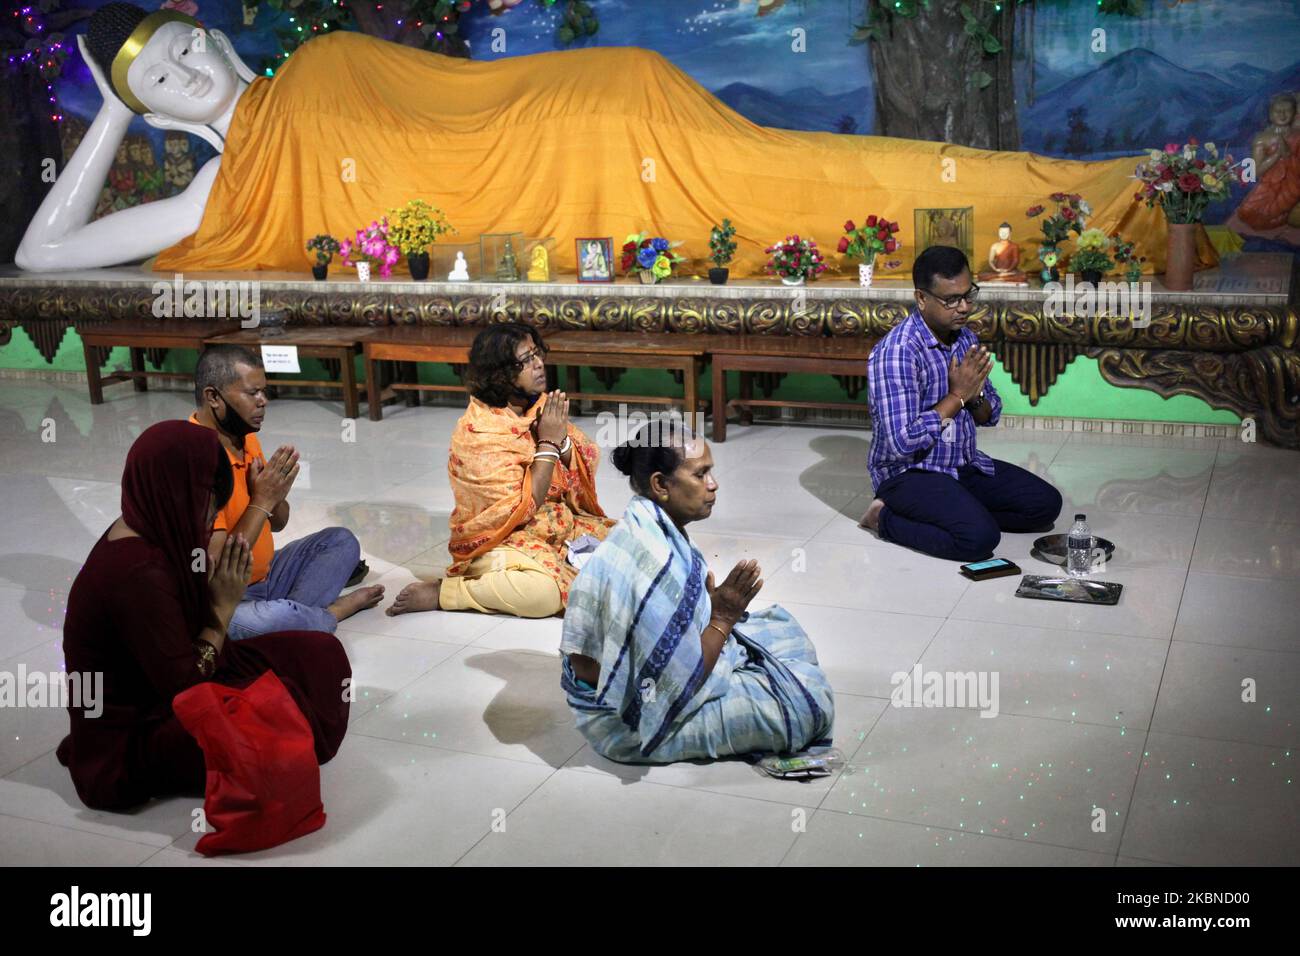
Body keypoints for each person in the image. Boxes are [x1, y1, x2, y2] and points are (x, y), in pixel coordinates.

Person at [16, 3, 1212, 277]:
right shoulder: (228, 186)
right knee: (813, 191)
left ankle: (1092, 199)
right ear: (165, 108)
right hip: (573, 177)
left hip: (585, 125)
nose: (184, 69)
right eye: (158, 81)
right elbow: (41, 256)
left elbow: (456, 103)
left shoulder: (324, 56)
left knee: (808, 183)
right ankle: (1085, 200)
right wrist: (112, 110)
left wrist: (129, 92)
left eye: (180, 42)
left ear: (217, 33)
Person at [57, 421, 352, 811]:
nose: (211, 511)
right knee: (274, 718)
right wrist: (222, 612)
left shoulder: (157, 524)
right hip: (138, 729)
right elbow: (184, 686)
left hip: (188, 671)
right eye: (206, 498)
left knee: (319, 655)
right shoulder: (135, 571)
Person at [561, 421, 834, 764]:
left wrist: (712, 608)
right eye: (701, 474)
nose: (713, 484)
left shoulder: (650, 525)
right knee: (810, 703)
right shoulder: (649, 559)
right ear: (660, 484)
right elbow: (674, 684)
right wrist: (722, 617)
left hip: (658, 679)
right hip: (629, 725)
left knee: (785, 629)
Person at [387, 323, 613, 618]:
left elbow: (586, 457)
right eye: (525, 361)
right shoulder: (479, 432)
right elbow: (520, 509)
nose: (539, 364)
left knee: (632, 543)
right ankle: (446, 593)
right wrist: (548, 442)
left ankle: (559, 562)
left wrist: (562, 441)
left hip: (557, 524)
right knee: (543, 594)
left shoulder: (538, 406)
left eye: (537, 353)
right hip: (501, 540)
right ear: (500, 374)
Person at [860, 245, 1062, 562]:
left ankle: (958, 508)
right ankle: (882, 518)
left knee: (1045, 505)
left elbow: (989, 414)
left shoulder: (964, 337)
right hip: (909, 473)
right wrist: (956, 397)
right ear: (922, 298)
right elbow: (901, 443)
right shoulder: (897, 353)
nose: (964, 307)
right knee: (978, 539)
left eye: (969, 295)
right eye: (952, 300)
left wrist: (974, 395)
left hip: (961, 463)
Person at [191, 345, 383, 639]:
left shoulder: (243, 437)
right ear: (213, 397)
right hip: (225, 602)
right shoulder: (196, 457)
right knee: (276, 618)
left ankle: (296, 617)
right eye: (252, 393)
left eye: (264, 392)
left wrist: (275, 495)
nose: (263, 401)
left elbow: (278, 523)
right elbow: (216, 572)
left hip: (266, 575)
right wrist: (262, 499)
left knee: (340, 542)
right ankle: (331, 613)